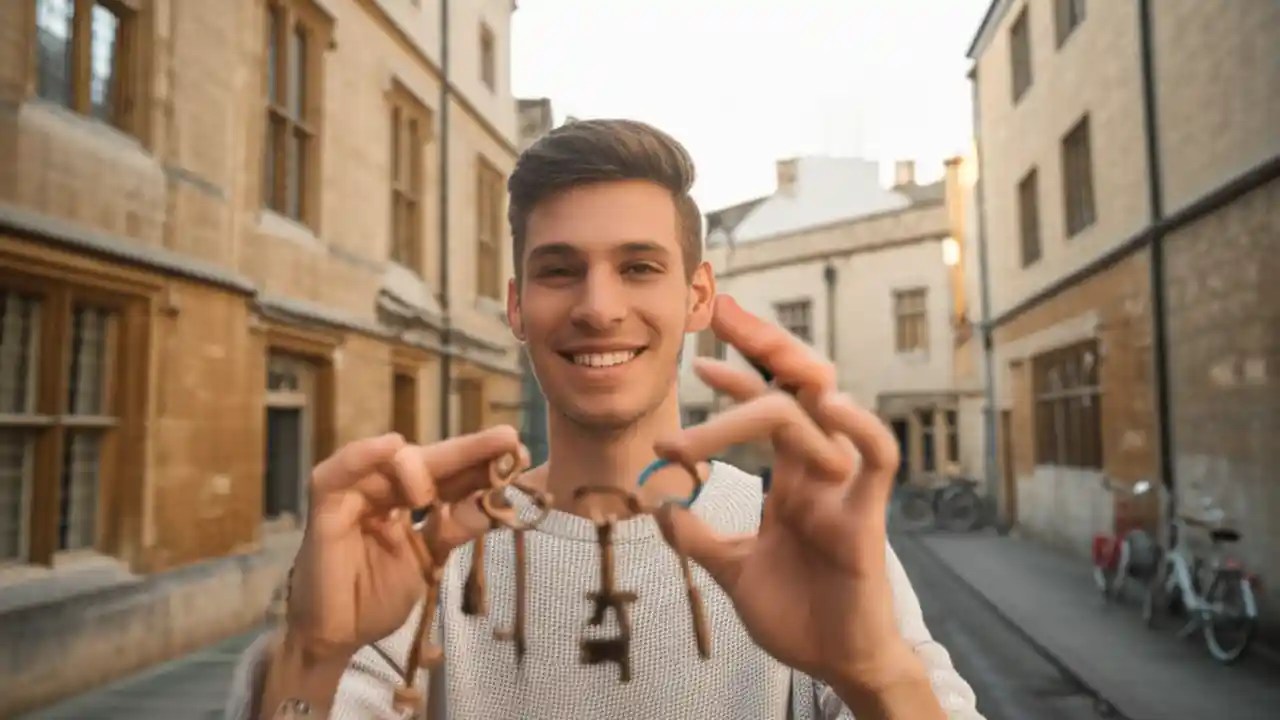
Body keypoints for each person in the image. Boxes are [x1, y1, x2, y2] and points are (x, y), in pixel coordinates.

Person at [226, 119, 981, 719]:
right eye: (560, 271)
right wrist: (314, 656)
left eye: (639, 268)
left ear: (697, 297)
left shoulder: (801, 541)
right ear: (518, 306)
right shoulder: (423, 564)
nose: (598, 307)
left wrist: (874, 674)